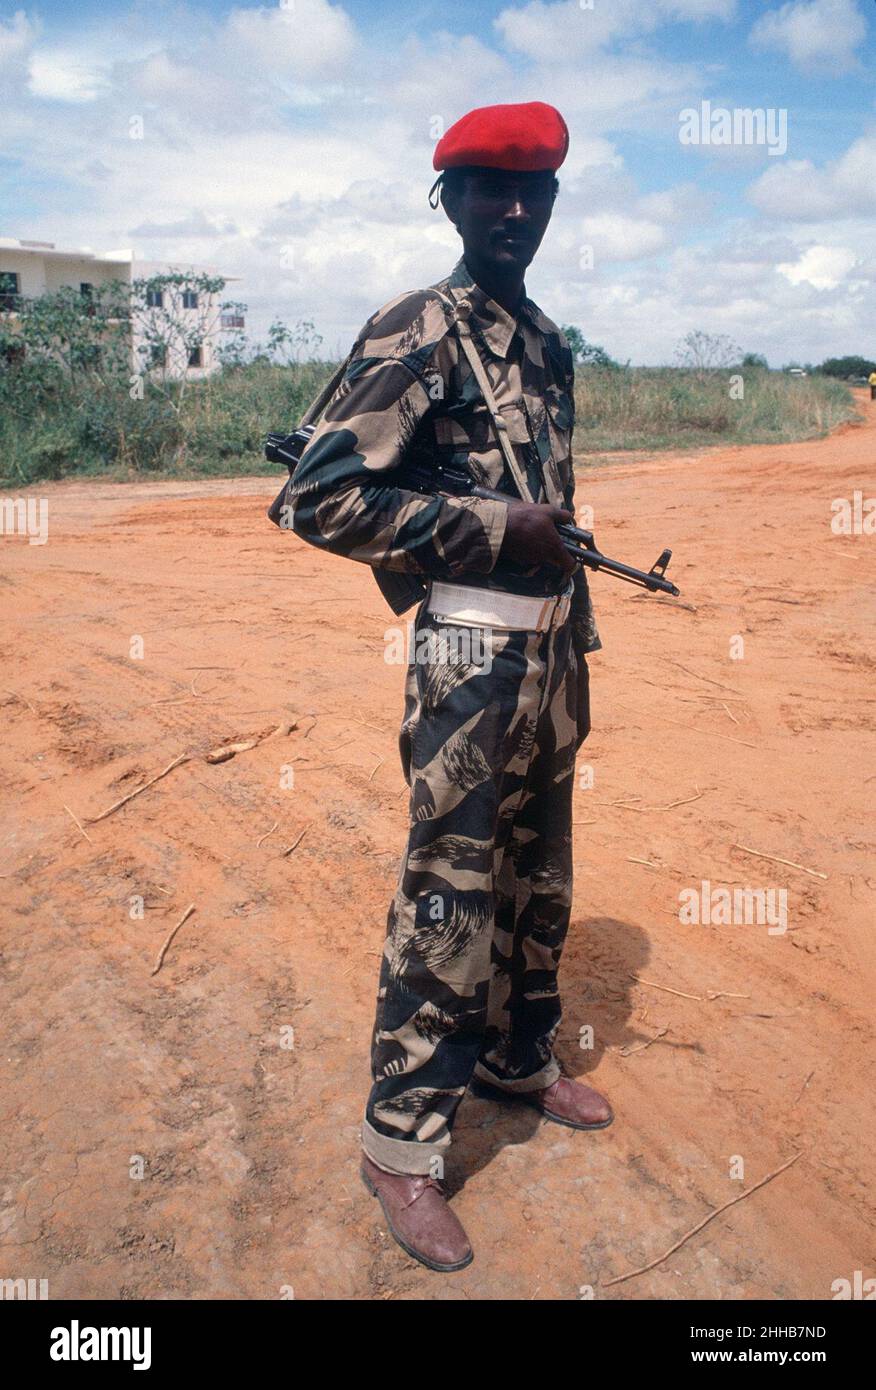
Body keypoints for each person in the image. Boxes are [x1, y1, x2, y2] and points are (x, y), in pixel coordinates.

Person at [286, 101, 612, 1273]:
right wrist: (490, 524)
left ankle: (520, 1055)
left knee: (539, 872)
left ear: (554, 204)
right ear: (452, 201)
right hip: (467, 664)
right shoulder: (417, 330)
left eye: (531, 192)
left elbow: (552, 510)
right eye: (487, 188)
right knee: (450, 894)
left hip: (553, 656)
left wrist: (569, 602)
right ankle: (402, 1143)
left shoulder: (546, 340)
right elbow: (316, 500)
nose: (512, 209)